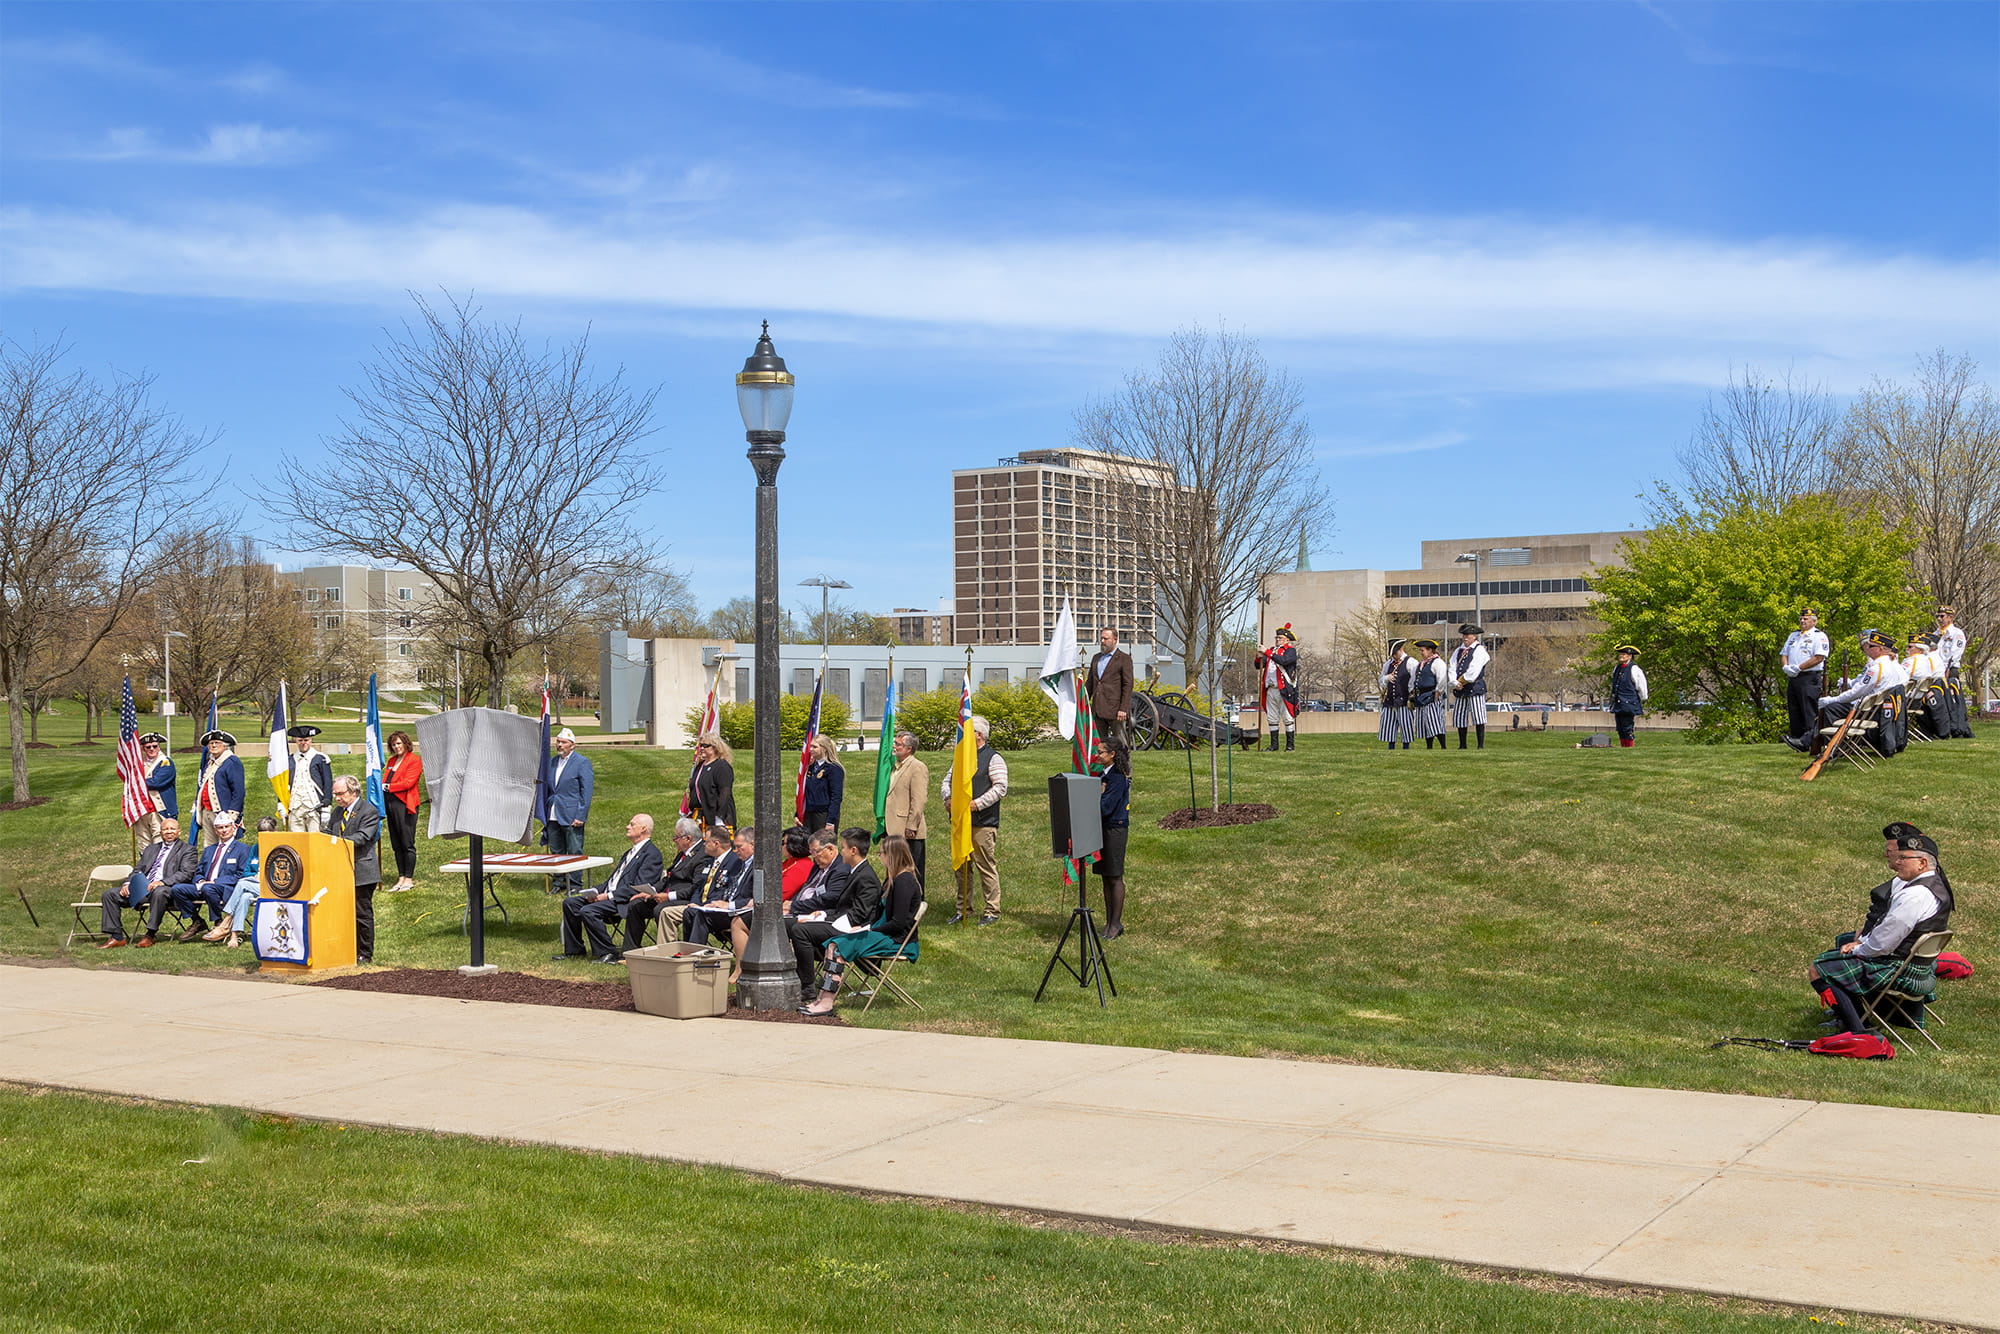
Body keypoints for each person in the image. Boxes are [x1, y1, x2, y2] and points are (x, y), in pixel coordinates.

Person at [1806, 827, 1953, 1035]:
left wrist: (1858, 949)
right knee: (1844, 943)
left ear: (1922, 863)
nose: (1897, 861)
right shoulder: (1933, 884)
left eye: (1904, 858)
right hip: (1918, 969)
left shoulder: (1915, 895)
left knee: (1820, 968)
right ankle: (1854, 1016)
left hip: (1898, 970)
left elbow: (1882, 944)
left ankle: (1858, 1030)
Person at [801, 834, 921, 1015]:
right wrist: (865, 927)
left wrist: (869, 929)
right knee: (833, 945)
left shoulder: (905, 881)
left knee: (836, 946)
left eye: (882, 853)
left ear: (892, 855)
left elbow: (898, 923)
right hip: (884, 934)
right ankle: (822, 998)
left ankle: (826, 1002)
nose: (880, 856)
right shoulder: (893, 879)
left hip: (897, 940)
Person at [553, 812, 662, 963]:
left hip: (623, 901)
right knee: (570, 903)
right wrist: (595, 891)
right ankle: (575, 951)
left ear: (643, 829)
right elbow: (612, 881)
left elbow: (639, 887)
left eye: (631, 824)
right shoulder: (630, 852)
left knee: (589, 910)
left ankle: (608, 952)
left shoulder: (652, 854)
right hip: (609, 897)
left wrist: (609, 896)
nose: (627, 827)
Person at [939, 714, 1007, 924]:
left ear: (979, 735)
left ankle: (992, 910)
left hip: (982, 822)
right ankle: (963, 909)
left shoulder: (993, 758)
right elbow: (946, 781)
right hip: (960, 822)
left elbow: (1000, 787)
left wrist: (976, 804)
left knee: (985, 866)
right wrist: (948, 798)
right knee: (961, 867)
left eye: (967, 732)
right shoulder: (960, 757)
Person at [1792, 630, 1905, 755]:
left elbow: (1856, 693)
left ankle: (1827, 746)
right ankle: (1814, 742)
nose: (1867, 648)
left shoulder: (1876, 668)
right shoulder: (1891, 666)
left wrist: (1832, 699)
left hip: (1869, 712)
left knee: (1831, 709)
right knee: (1836, 707)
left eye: (1871, 646)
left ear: (1880, 649)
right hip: (1879, 710)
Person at [787, 827, 870, 996]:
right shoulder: (851, 870)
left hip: (847, 926)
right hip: (828, 915)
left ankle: (806, 986)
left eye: (844, 848)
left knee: (798, 929)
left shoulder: (857, 873)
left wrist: (821, 916)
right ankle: (791, 975)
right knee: (783, 923)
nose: (813, 856)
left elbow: (855, 910)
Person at [97, 817, 198, 948]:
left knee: (159, 892)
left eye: (172, 829)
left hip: (168, 890)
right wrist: (127, 883)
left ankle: (150, 934)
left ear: (179, 832)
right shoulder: (151, 849)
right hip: (143, 889)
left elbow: (186, 873)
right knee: (109, 894)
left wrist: (162, 882)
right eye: (165, 829)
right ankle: (116, 937)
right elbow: (138, 870)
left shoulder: (187, 850)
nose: (169, 832)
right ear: (160, 832)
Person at [622, 817, 714, 951]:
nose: (674, 841)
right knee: (636, 905)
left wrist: (668, 896)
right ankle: (630, 950)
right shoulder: (683, 854)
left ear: (687, 838)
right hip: (667, 894)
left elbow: (696, 887)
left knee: (660, 909)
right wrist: (651, 890)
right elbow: (669, 878)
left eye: (676, 838)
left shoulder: (702, 855)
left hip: (684, 898)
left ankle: (668, 951)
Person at [167, 810, 254, 940]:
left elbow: (241, 875)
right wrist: (201, 880)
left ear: (233, 828)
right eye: (220, 828)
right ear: (215, 830)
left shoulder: (243, 849)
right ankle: (197, 921)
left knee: (209, 889)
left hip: (225, 887)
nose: (224, 830)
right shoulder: (209, 850)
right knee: (177, 889)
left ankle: (218, 922)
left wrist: (215, 882)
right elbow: (199, 871)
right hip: (204, 886)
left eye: (226, 827)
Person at [685, 826, 757, 980]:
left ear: (752, 845)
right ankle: (691, 958)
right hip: (728, 907)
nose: (735, 851)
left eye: (739, 847)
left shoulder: (758, 866)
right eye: (735, 846)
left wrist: (728, 905)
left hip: (743, 912)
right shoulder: (740, 863)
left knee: (702, 915)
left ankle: (695, 962)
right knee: (697, 913)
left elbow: (756, 898)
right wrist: (717, 903)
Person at [328, 774, 382, 964]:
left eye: (340, 794)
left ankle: (365, 954)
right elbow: (329, 833)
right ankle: (347, 950)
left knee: (362, 915)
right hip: (340, 873)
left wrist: (334, 842)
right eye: (335, 794)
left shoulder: (368, 811)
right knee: (343, 914)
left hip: (362, 872)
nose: (337, 798)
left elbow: (362, 838)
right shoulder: (337, 812)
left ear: (353, 791)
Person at [207, 816, 280, 949]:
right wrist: (255, 875)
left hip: (273, 888)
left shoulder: (281, 849)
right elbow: (246, 872)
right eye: (261, 836)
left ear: (276, 832)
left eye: (268, 836)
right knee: (244, 896)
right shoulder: (255, 848)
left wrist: (264, 876)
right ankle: (234, 936)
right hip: (254, 884)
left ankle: (225, 922)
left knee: (241, 884)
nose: (264, 839)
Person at [544, 727, 595, 895]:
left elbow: (586, 792)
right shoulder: (552, 762)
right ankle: (559, 882)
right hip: (553, 812)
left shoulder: (581, 763)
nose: (559, 745)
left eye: (563, 742)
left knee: (574, 850)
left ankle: (575, 883)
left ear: (572, 745)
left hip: (572, 814)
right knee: (556, 850)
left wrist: (581, 815)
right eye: (557, 742)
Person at [1093, 736, 1131, 940]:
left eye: (1100, 752)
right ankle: (1109, 922)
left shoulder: (1116, 777)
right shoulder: (1103, 775)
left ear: (1112, 755)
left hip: (1114, 829)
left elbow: (1105, 807)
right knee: (1105, 875)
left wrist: (1089, 803)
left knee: (1114, 876)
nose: (1097, 755)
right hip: (1103, 828)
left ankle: (1116, 923)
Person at [883, 731, 930, 886]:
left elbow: (918, 799)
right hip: (893, 827)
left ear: (909, 748)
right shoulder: (893, 767)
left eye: (898, 744)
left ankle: (916, 905)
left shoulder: (917, 767)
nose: (894, 746)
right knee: (893, 868)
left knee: (912, 870)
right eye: (894, 743)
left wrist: (911, 825)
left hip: (909, 831)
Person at [382, 729, 424, 892]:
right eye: (393, 744)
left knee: (407, 843)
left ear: (405, 743)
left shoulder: (414, 760)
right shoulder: (392, 761)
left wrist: (388, 787)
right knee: (396, 843)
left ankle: (409, 878)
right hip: (390, 804)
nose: (396, 746)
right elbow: (385, 779)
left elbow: (408, 783)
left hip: (405, 804)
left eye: (399, 743)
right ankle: (400, 877)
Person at [1779, 609, 1830, 743]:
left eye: (1806, 619)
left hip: (1809, 677)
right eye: (1801, 618)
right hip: (1794, 677)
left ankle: (1810, 741)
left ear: (1814, 621)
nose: (1802, 621)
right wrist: (1785, 666)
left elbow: (1819, 657)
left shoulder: (1819, 636)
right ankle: (1796, 739)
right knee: (1794, 709)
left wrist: (1799, 667)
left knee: (1809, 710)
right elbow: (1784, 653)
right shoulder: (1793, 635)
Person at [191, 730, 244, 851]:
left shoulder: (232, 762)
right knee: (209, 846)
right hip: (207, 811)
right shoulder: (210, 762)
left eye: (217, 743)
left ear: (225, 745)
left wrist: (232, 814)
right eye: (211, 743)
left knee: (226, 846)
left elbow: (238, 791)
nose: (213, 746)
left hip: (223, 811)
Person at [1088, 627, 1135, 748]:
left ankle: (1124, 767)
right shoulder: (1096, 658)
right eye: (1101, 638)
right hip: (1098, 709)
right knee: (1100, 745)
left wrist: (1123, 708)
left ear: (1115, 639)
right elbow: (1090, 683)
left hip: (1116, 711)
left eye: (1106, 638)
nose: (1102, 641)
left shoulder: (1124, 659)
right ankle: (1103, 767)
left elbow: (1128, 685)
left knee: (1121, 744)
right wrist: (1082, 701)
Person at [1256, 624, 1300, 751]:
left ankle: (1290, 745)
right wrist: (1259, 657)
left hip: (1284, 690)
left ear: (1287, 640)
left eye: (1280, 638)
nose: (1277, 640)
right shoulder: (1271, 651)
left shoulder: (1290, 651)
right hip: (1270, 689)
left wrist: (1267, 652)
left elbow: (1284, 661)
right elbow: (1258, 665)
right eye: (1276, 638)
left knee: (1287, 717)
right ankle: (1274, 745)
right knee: (1272, 717)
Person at [285, 725, 333, 834]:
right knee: (296, 841)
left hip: (315, 805)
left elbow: (328, 783)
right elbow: (284, 783)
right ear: (296, 741)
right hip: (295, 806)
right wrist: (281, 804)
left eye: (306, 740)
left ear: (311, 740)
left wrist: (326, 806)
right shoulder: (290, 759)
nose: (303, 743)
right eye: (300, 740)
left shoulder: (321, 759)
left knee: (315, 839)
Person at [1449, 624, 1491, 750]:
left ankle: (1480, 745)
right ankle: (1462, 745)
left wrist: (1462, 680)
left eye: (1467, 635)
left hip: (1474, 686)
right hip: (1460, 687)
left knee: (1478, 716)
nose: (1465, 638)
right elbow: (1452, 667)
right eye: (1464, 635)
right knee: (1460, 716)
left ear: (1474, 636)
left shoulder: (1479, 650)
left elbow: (1474, 669)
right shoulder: (1458, 651)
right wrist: (1454, 682)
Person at [685, 734, 736, 833]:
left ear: (715, 747)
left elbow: (724, 793)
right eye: (701, 745)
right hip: (700, 816)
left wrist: (719, 818)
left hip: (716, 817)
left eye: (705, 745)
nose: (702, 748)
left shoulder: (722, 766)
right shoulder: (700, 766)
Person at [132, 731, 176, 846]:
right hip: (142, 809)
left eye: (155, 746)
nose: (152, 749)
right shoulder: (139, 764)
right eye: (148, 747)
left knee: (159, 840)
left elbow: (157, 782)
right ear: (143, 748)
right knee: (143, 841)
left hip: (159, 809)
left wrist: (136, 783)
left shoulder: (166, 762)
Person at [1407, 640, 1450, 749]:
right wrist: (1412, 693)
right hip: (1420, 697)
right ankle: (1429, 746)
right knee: (1424, 723)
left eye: (1422, 650)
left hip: (1432, 695)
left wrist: (1438, 692)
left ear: (1430, 650)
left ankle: (1443, 746)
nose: (1421, 653)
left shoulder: (1437, 663)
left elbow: (1442, 679)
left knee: (1435, 722)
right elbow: (1413, 680)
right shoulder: (1419, 665)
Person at [801, 735, 845, 834]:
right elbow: (804, 793)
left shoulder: (833, 768)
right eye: (810, 746)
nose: (811, 749)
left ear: (824, 748)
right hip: (808, 813)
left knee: (822, 846)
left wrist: (831, 821)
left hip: (823, 815)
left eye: (815, 747)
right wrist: (798, 814)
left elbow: (836, 797)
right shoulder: (810, 768)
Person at [1609, 645, 1649, 748]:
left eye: (1624, 654)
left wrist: (1643, 698)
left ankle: (1629, 747)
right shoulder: (1617, 668)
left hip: (1629, 702)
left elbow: (1641, 685)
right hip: (1618, 702)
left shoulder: (1634, 669)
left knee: (1627, 727)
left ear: (1629, 656)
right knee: (1620, 727)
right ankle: (1623, 746)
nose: (1621, 656)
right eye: (1620, 654)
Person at [1377, 640, 1413, 751]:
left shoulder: (1410, 662)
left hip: (1404, 700)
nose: (1394, 656)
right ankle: (1391, 746)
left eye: (1395, 653)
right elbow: (1381, 680)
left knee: (1406, 725)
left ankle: (1406, 747)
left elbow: (1414, 679)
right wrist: (1387, 678)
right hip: (1390, 700)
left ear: (1401, 650)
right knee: (1389, 725)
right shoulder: (1388, 664)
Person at [780, 825, 814, 902]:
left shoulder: (800, 868)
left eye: (783, 843)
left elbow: (780, 895)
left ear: (792, 846)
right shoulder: (791, 861)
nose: (781, 846)